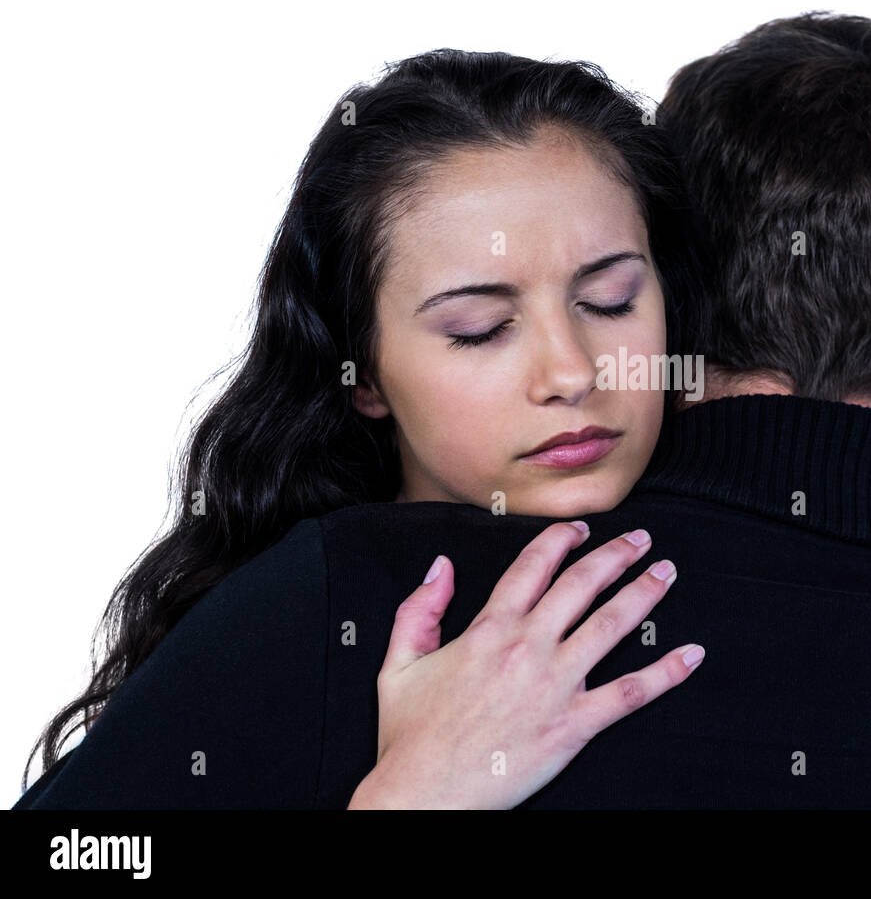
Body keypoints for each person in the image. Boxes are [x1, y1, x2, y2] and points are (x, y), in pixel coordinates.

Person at [13, 49, 710, 809]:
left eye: (611, 300)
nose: (573, 374)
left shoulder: (751, 568)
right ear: (364, 372)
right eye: (479, 330)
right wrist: (413, 795)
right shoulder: (297, 612)